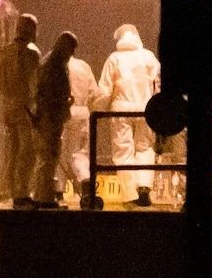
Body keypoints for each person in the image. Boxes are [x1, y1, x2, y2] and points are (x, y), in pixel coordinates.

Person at [98, 23, 161, 207]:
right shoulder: (148, 57)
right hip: (145, 109)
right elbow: (160, 82)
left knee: (123, 150)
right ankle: (144, 189)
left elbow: (104, 89)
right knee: (145, 147)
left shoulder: (114, 58)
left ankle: (129, 195)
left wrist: (99, 109)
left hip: (121, 109)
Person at [0, 14, 41, 208]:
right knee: (28, 151)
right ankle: (22, 192)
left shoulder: (4, 52)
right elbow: (34, 84)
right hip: (25, 108)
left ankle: (12, 189)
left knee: (13, 151)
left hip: (8, 107)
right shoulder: (31, 53)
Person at [30, 32, 75, 208]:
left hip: (50, 116)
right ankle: (44, 197)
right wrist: (65, 102)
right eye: (71, 50)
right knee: (48, 157)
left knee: (49, 157)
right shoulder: (53, 66)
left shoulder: (53, 62)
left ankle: (44, 194)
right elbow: (49, 94)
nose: (71, 55)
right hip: (50, 117)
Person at [56, 32, 99, 203]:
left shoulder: (55, 66)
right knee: (79, 153)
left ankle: (57, 191)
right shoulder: (84, 67)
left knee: (58, 153)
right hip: (82, 113)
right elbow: (95, 94)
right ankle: (86, 182)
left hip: (61, 114)